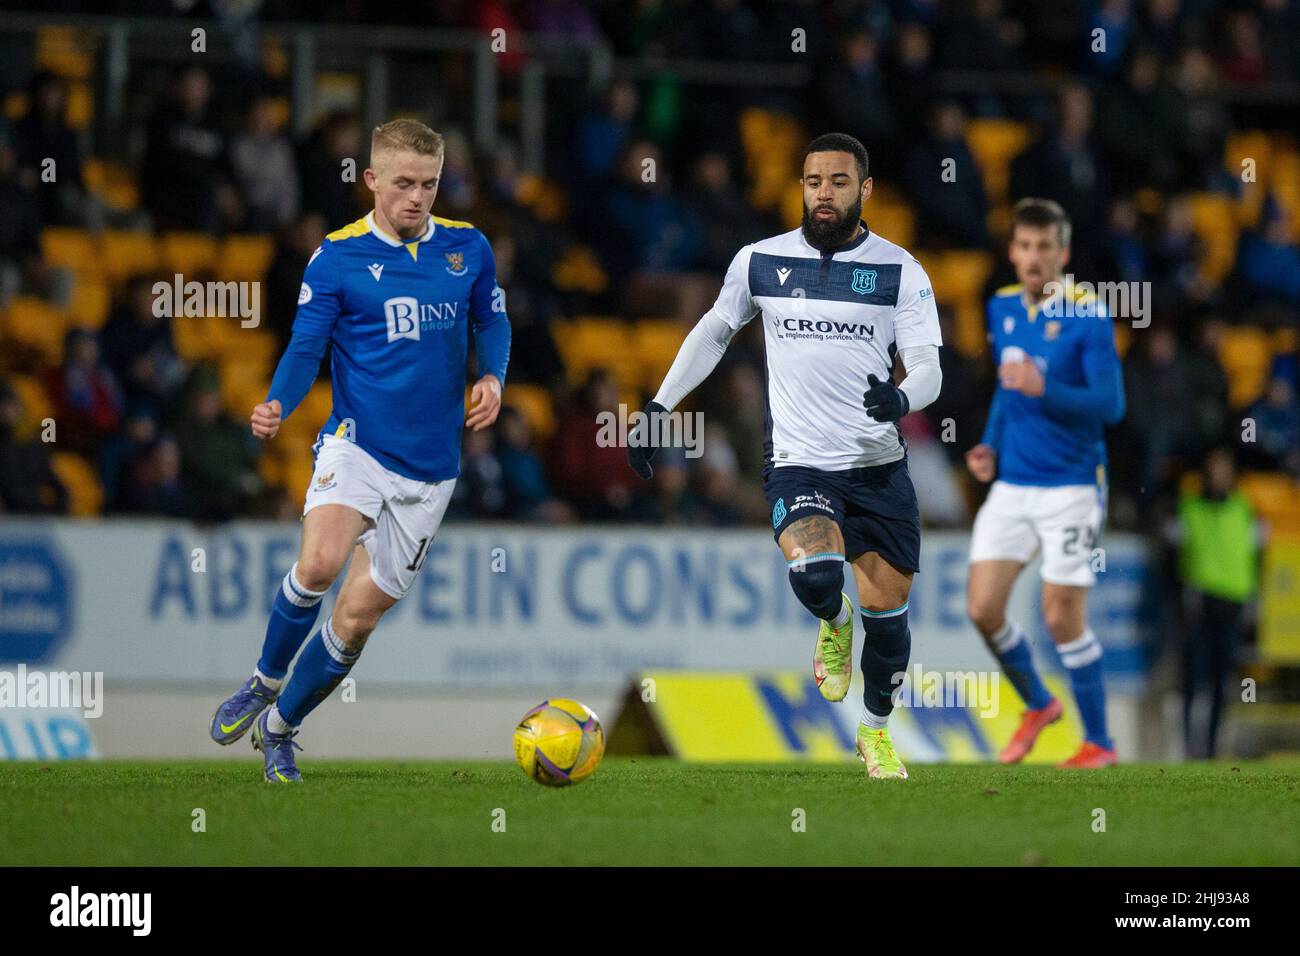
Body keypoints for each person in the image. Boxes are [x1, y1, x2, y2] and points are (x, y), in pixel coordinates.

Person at [629, 133, 943, 780]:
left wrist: (902, 398)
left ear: (865, 189)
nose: (823, 194)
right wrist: (659, 408)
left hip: (878, 468)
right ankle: (833, 619)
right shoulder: (760, 262)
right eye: (812, 181)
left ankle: (876, 732)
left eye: (837, 182)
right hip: (799, 461)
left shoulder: (900, 271)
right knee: (818, 578)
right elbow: (715, 330)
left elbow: (931, 366)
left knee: (889, 625)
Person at [209, 119, 510, 782]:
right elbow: (304, 347)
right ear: (371, 180)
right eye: (403, 184)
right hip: (358, 445)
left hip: (432, 469)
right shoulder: (336, 257)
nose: (417, 198)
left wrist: (493, 375)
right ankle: (263, 678)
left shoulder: (467, 248)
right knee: (318, 565)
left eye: (429, 185)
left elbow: (493, 317)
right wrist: (279, 403)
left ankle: (281, 727)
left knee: (356, 617)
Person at [965, 198, 1126, 769]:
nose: (1034, 258)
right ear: (1013, 251)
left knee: (1060, 616)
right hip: (1013, 483)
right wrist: (989, 444)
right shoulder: (1001, 307)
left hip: (1073, 487)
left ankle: (1100, 744)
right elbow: (1009, 391)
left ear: (1063, 253)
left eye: (1045, 248)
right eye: (1025, 246)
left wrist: (1046, 389)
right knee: (983, 609)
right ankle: (1038, 704)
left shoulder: (1089, 315)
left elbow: (1111, 405)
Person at [1175, 448, 1259, 758]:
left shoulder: (1243, 508)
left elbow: (1252, 554)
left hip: (1233, 600)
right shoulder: (1191, 508)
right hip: (1201, 600)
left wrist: (1253, 597)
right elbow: (1178, 551)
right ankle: (1188, 749)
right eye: (1215, 470)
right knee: (1193, 679)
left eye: (1226, 471)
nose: (1221, 477)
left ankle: (1210, 750)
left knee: (1222, 681)